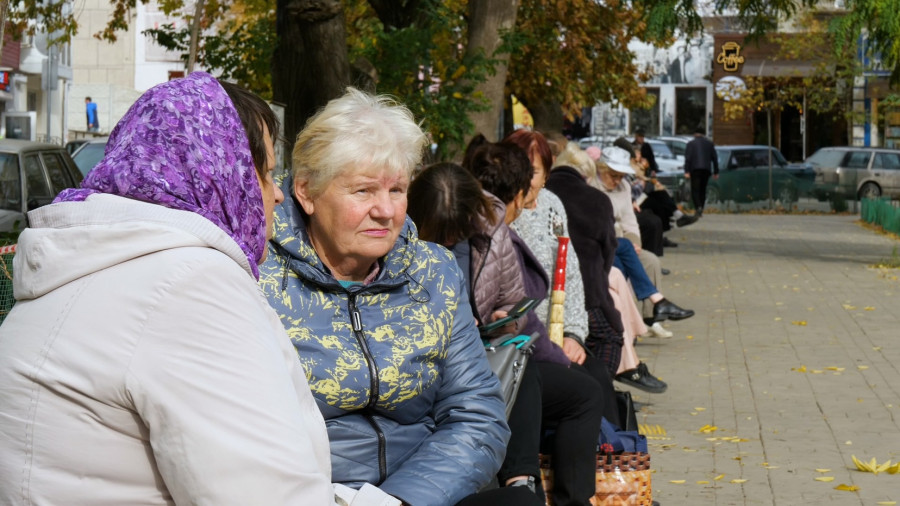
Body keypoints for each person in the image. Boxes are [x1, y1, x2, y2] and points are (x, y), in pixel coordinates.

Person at [0, 72, 339, 504]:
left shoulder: (84, 260)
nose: (276, 196)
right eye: (269, 174)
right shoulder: (191, 285)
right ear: (222, 174)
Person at [259, 88, 516, 506]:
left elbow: (476, 414)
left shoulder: (433, 272)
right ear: (305, 192)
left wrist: (399, 499)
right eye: (363, 192)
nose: (386, 211)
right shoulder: (258, 276)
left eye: (396, 190)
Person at [684, 124, 719, 216]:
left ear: (695, 134)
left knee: (695, 189)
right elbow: (714, 158)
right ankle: (701, 208)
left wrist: (686, 171)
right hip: (706, 169)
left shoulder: (691, 144)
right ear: (703, 134)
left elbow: (688, 158)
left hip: (695, 169)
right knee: (703, 189)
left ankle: (698, 207)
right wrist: (716, 171)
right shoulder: (709, 144)